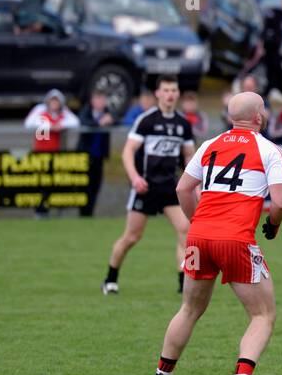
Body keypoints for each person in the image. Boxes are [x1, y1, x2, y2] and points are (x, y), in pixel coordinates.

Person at [150, 91, 282, 375]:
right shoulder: (269, 150)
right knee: (263, 314)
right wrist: (273, 225)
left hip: (199, 237)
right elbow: (279, 202)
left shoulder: (209, 145)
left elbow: (183, 188)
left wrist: (197, 222)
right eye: (263, 111)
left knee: (189, 308)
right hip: (235, 238)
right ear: (258, 118)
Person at [104, 76, 196, 295]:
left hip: (169, 188)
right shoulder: (146, 120)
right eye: (166, 90)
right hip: (145, 188)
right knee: (132, 236)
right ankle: (110, 279)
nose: (170, 94)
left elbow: (190, 159)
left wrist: (195, 186)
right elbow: (128, 151)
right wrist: (135, 178)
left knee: (186, 231)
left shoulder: (182, 124)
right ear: (158, 94)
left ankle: (184, 282)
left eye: (174, 90)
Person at [24, 89, 80, 217]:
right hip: (40, 153)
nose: (54, 103)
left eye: (57, 101)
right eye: (52, 100)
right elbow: (29, 123)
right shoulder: (41, 111)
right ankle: (40, 210)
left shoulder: (62, 113)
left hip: (56, 154)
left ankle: (56, 208)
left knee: (55, 182)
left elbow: (75, 122)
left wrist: (61, 125)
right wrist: (50, 126)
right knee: (40, 183)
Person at [241, 0, 282, 94]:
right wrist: (262, 44)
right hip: (267, 47)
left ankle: (271, 90)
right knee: (255, 64)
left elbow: (280, 34)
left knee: (273, 68)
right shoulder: (274, 13)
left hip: (276, 48)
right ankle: (240, 81)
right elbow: (265, 29)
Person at [77, 89, 115, 217]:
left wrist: (111, 120)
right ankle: (83, 212)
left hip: (99, 157)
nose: (101, 102)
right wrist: (99, 123)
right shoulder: (86, 111)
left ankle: (90, 212)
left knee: (96, 185)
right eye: (98, 99)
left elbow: (118, 120)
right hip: (85, 157)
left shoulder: (107, 112)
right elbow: (83, 121)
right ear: (92, 101)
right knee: (84, 186)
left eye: (103, 99)